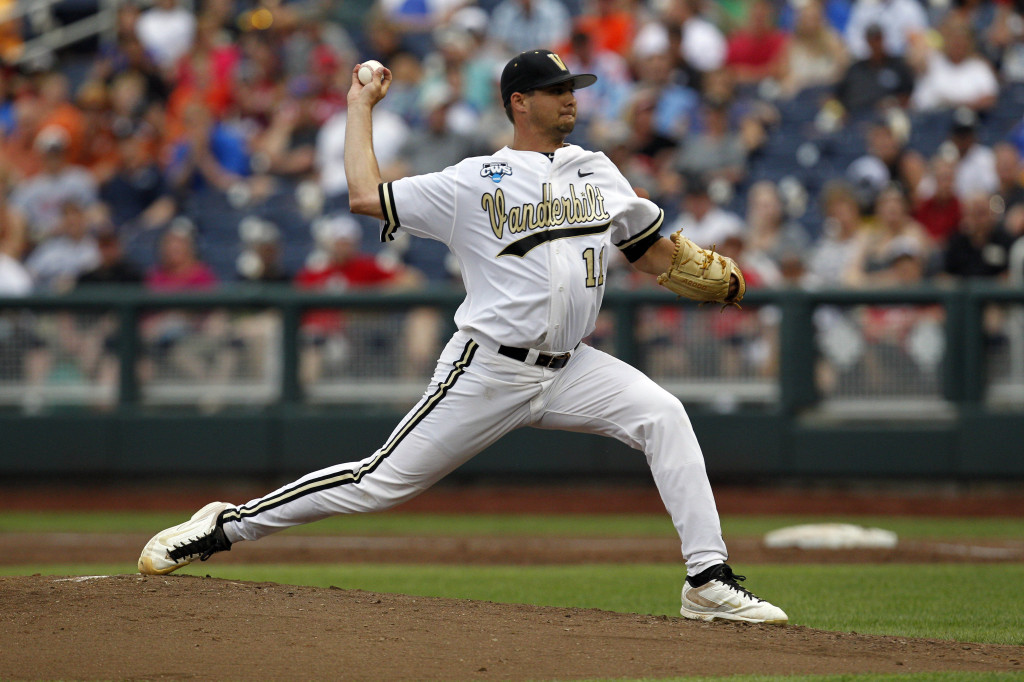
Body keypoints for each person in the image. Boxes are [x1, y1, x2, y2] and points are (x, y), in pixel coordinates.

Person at [138, 49, 788, 626]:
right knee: (377, 482)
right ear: (519, 102)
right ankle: (227, 525)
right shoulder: (474, 181)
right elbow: (365, 196)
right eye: (558, 90)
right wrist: (358, 105)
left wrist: (691, 267)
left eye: (574, 88)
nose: (571, 99)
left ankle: (706, 580)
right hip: (489, 368)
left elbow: (648, 252)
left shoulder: (599, 170)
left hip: (571, 368)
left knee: (664, 414)